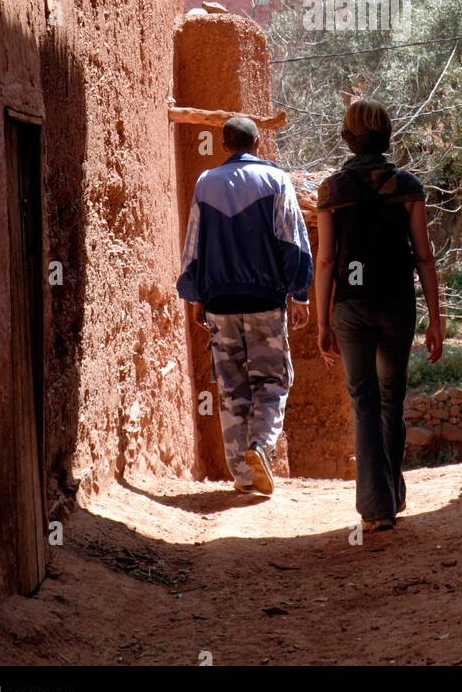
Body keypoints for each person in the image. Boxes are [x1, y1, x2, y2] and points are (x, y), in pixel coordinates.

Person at [315, 99, 443, 531]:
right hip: (396, 305)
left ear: (348, 138)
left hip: (350, 307)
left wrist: (321, 321)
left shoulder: (332, 191)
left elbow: (327, 261)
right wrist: (436, 319)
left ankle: (377, 507)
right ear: (387, 134)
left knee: (364, 401)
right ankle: (392, 494)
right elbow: (423, 257)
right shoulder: (407, 186)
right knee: (391, 399)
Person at [177, 115, 313, 496]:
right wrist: (298, 292)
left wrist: (196, 297)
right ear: (258, 145)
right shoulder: (275, 180)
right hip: (264, 302)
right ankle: (260, 447)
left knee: (232, 387)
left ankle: (242, 476)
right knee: (271, 381)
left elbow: (194, 247)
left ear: (224, 147)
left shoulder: (206, 183)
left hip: (219, 304)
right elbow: (293, 242)